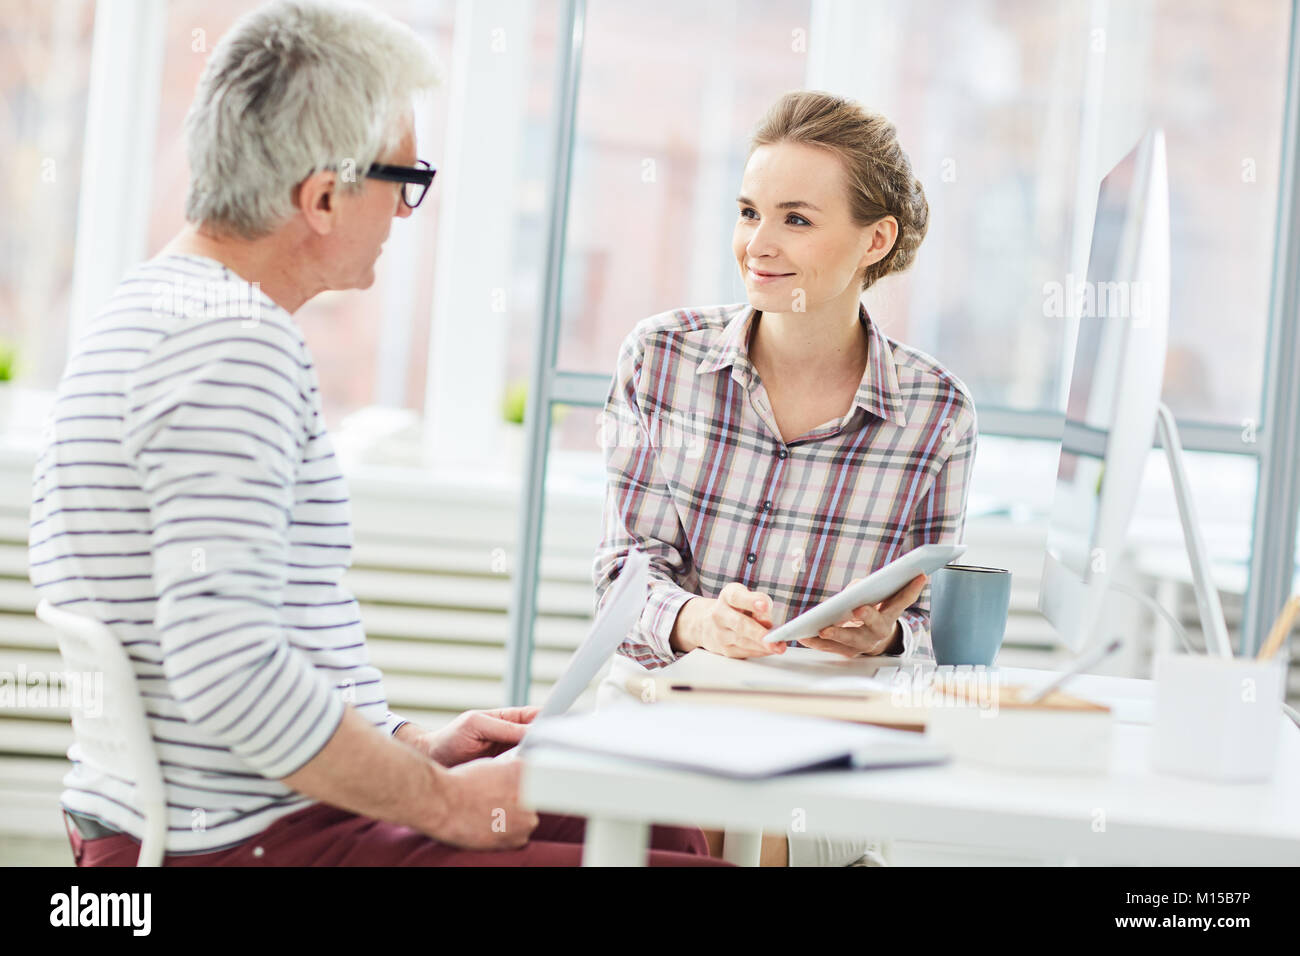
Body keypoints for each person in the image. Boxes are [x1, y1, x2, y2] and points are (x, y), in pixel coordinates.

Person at [30, 0, 721, 867]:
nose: (404, 211)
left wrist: (412, 746)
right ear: (322, 197)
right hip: (245, 844)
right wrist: (446, 804)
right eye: (405, 177)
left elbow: (243, 650)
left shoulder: (149, 312)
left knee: (653, 822)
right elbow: (226, 668)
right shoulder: (232, 348)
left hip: (233, 816)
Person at [593, 90, 978, 866]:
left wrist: (885, 636)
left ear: (876, 240)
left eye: (795, 219)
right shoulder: (661, 358)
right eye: (748, 212)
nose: (757, 244)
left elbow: (932, 637)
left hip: (826, 732)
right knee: (707, 824)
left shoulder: (937, 412)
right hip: (667, 704)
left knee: (762, 824)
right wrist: (700, 621)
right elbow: (621, 576)